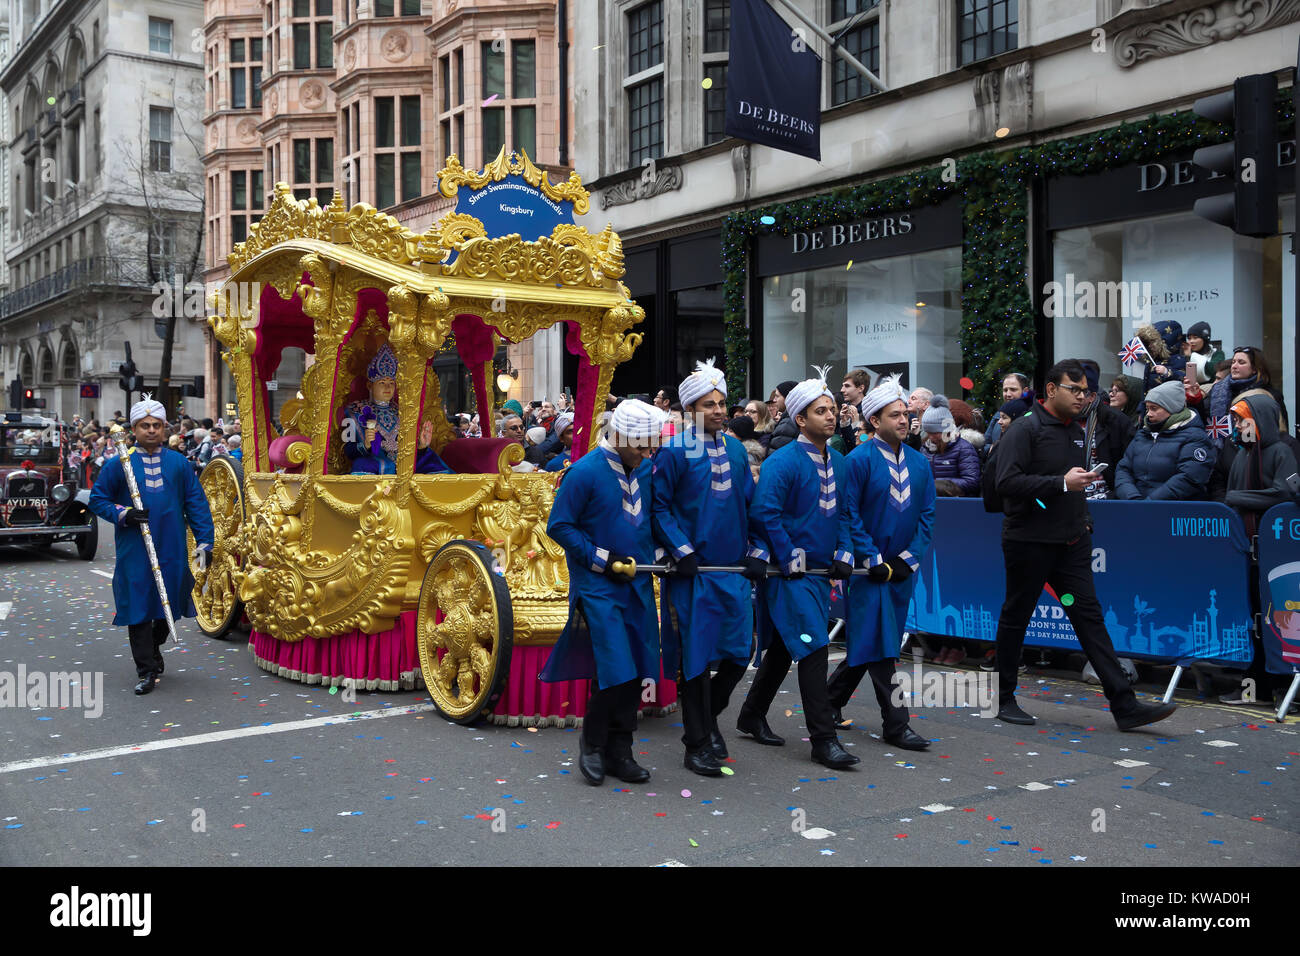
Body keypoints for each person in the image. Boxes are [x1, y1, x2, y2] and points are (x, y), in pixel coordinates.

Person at [991, 359, 1176, 731]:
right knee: (1017, 616)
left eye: (1085, 391)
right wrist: (1061, 484)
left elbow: (1076, 484)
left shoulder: (1076, 430)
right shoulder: (1024, 430)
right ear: (1050, 390)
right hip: (1029, 544)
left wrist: (1082, 517)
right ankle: (1003, 698)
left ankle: (1124, 705)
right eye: (1073, 389)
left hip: (1071, 544)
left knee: (1087, 617)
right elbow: (1005, 484)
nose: (1081, 396)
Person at [736, 367, 859, 769]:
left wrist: (845, 549)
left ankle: (751, 713)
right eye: (820, 410)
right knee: (814, 648)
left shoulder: (841, 463)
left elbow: (844, 514)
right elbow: (765, 514)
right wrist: (787, 554)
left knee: (788, 646)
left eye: (833, 409)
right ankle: (823, 740)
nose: (831, 415)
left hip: (822, 574)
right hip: (787, 574)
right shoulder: (781, 462)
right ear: (800, 419)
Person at [542, 399, 668, 786]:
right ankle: (593, 746)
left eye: (652, 445)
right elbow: (559, 526)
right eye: (641, 445)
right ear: (620, 435)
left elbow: (651, 521)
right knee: (615, 667)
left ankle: (621, 751)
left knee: (637, 668)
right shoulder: (583, 472)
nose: (648, 453)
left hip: (639, 583)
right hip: (598, 585)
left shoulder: (645, 468)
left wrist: (667, 554)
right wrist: (602, 558)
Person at [652, 359, 765, 776]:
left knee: (739, 656)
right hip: (693, 574)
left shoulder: (736, 449)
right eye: (708, 404)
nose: (719, 410)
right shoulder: (673, 450)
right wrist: (681, 550)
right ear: (689, 409)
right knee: (696, 662)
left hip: (733, 574)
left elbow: (752, 506)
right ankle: (696, 742)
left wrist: (758, 549)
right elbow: (659, 508)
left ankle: (707, 720)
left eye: (721, 403)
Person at [828, 378, 935, 750]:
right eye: (895, 415)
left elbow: (927, 515)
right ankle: (896, 724)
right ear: (874, 421)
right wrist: (871, 557)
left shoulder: (921, 463)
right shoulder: (857, 460)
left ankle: (827, 703)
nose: (905, 420)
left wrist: (907, 560)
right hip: (867, 570)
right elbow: (848, 513)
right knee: (884, 644)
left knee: (870, 640)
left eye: (906, 414)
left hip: (901, 572)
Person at [88, 396, 215, 696]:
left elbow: (195, 502)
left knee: (168, 602)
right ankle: (145, 669)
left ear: (164, 427)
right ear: (134, 428)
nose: (151, 430)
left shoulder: (178, 463)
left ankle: (154, 648)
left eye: (156, 425)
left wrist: (205, 539)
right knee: (140, 605)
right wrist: (123, 513)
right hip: (136, 548)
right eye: (144, 426)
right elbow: (98, 499)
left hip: (170, 545)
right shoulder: (119, 463)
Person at [1218, 393, 1299, 710]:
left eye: (1242, 419)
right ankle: (1254, 688)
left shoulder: (1281, 452)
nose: (1237, 425)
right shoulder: (1241, 455)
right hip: (1245, 554)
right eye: (1236, 419)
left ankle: (1282, 689)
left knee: (1276, 621)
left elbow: (1285, 492)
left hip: (1274, 554)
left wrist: (1239, 497)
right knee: (1251, 620)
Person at [1113, 381, 1214, 501]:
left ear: (1172, 408)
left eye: (1154, 408)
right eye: (1147, 408)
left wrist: (1151, 503)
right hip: (1136, 507)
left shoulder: (1195, 437)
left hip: (1175, 512)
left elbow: (1190, 477)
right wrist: (1132, 498)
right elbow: (1123, 469)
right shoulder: (1143, 434)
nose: (1149, 414)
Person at [1194, 346, 1288, 451]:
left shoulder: (1268, 395)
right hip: (1218, 455)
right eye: (1233, 362)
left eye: (1241, 362)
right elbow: (1203, 417)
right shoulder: (1218, 390)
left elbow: (1280, 431)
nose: (1234, 366)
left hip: (1253, 455)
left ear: (1254, 369)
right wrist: (1194, 400)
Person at [920, 394, 981, 497]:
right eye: (928, 432)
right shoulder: (925, 449)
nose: (930, 437)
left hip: (955, 505)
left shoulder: (964, 448)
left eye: (935, 433)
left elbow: (972, 482)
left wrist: (939, 484)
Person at [1137, 320, 1187, 392]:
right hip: (1149, 401)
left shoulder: (1178, 359)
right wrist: (1143, 403)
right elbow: (1145, 388)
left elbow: (1183, 378)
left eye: (1153, 342)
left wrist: (1167, 372)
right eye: (1148, 342)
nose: (1150, 346)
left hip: (1167, 401)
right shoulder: (1150, 361)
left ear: (1166, 343)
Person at [766, 380, 800, 451]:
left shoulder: (788, 424)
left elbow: (776, 456)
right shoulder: (790, 420)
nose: (774, 400)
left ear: (788, 398)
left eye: (777, 396)